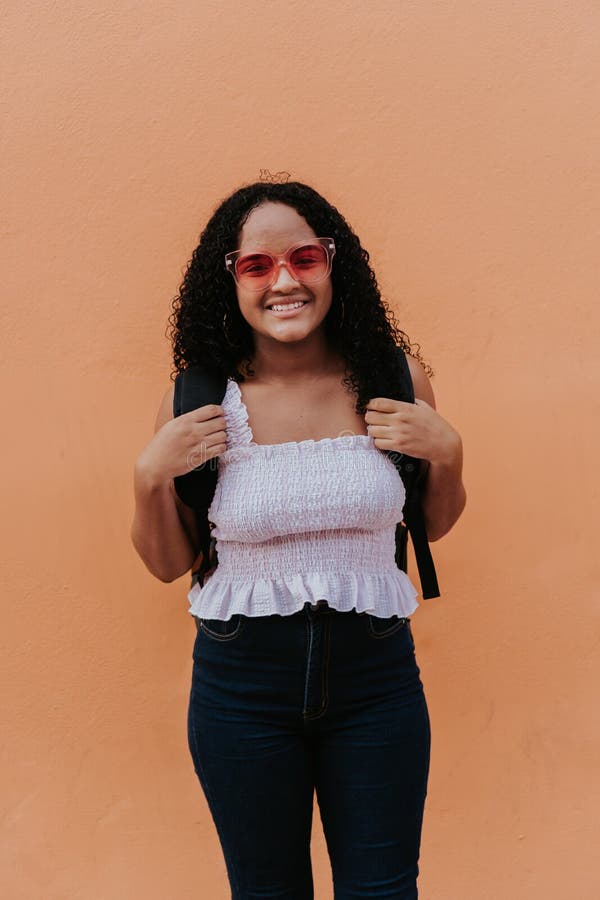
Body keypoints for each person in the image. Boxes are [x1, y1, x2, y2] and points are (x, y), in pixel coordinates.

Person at [131, 176, 467, 899]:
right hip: (240, 686)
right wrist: (149, 477)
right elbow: (168, 564)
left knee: (384, 890)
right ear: (230, 281)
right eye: (257, 265)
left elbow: (432, 524)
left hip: (376, 681)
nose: (284, 282)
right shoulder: (199, 402)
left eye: (304, 258)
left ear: (333, 264)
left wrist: (449, 454)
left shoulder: (394, 381)